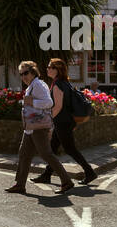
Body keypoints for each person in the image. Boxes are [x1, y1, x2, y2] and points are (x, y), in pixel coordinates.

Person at [6, 60, 74, 196]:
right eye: (21, 74)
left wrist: (31, 101)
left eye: (26, 73)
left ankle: (67, 181)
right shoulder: (32, 85)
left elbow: (48, 103)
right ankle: (20, 184)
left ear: (33, 72)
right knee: (24, 154)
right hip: (30, 127)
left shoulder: (38, 84)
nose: (23, 76)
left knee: (46, 154)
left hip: (38, 127)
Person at [33, 58, 95, 187]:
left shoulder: (58, 84)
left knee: (70, 149)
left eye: (50, 67)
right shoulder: (64, 83)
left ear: (57, 70)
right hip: (66, 121)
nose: (47, 69)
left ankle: (89, 172)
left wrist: (49, 120)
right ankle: (46, 175)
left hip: (62, 122)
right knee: (53, 148)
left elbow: (58, 106)